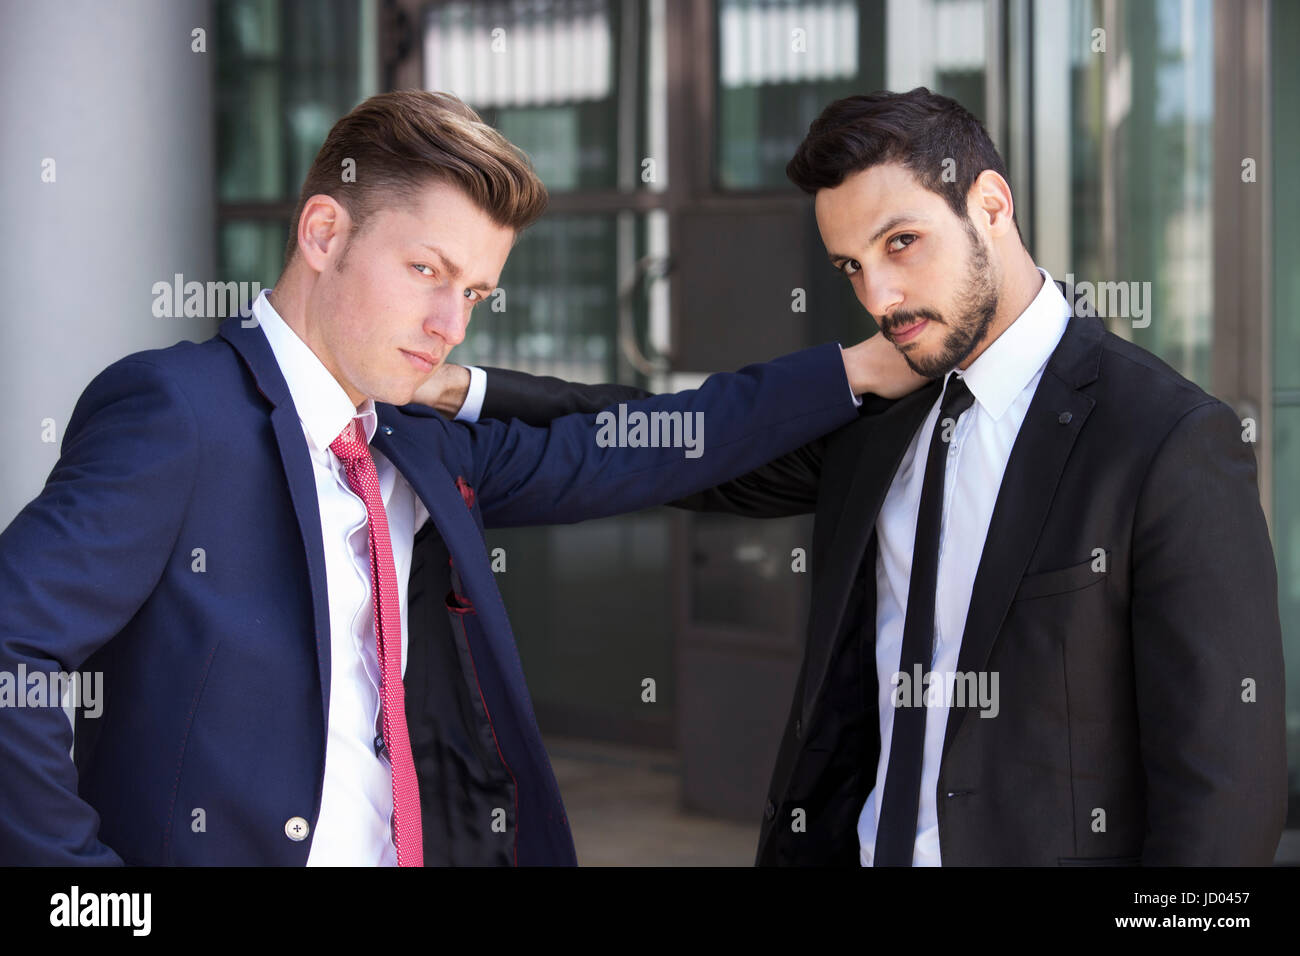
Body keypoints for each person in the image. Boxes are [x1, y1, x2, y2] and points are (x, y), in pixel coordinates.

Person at [0, 90, 923, 866]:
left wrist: (852, 373)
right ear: (324, 232)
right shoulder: (182, 410)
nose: (451, 320)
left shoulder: (416, 443)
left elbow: (636, 443)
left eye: (475, 293)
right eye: (425, 270)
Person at [430, 88, 1287, 866]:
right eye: (851, 267)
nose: (881, 295)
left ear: (990, 205)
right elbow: (682, 442)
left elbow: (1224, 787)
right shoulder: (883, 406)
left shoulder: (1164, 439)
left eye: (902, 243)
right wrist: (466, 390)